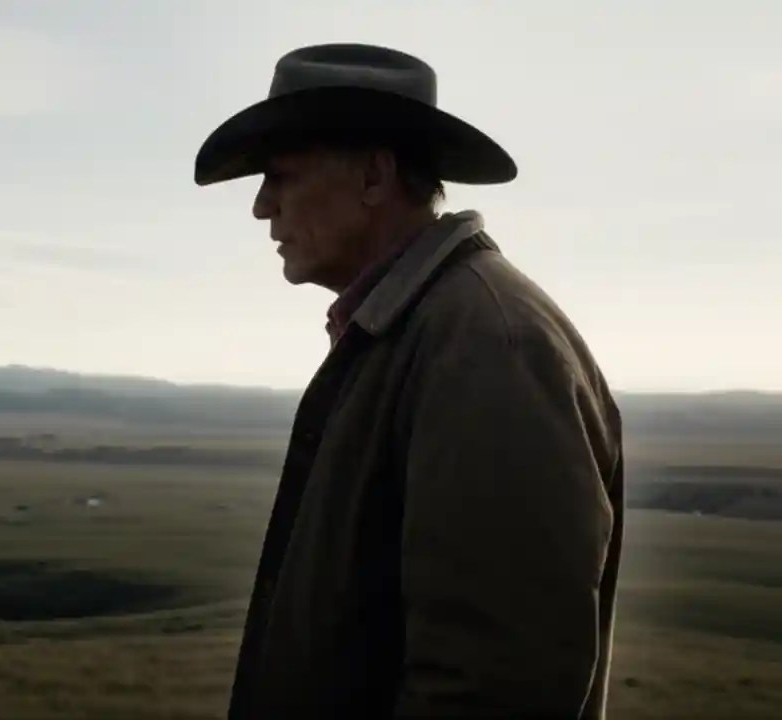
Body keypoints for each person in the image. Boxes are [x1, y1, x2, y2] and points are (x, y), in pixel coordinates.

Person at [194, 44, 625, 719]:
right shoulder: (422, 332)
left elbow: (495, 687)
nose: (260, 207)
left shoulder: (488, 346)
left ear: (373, 175)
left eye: (280, 175)